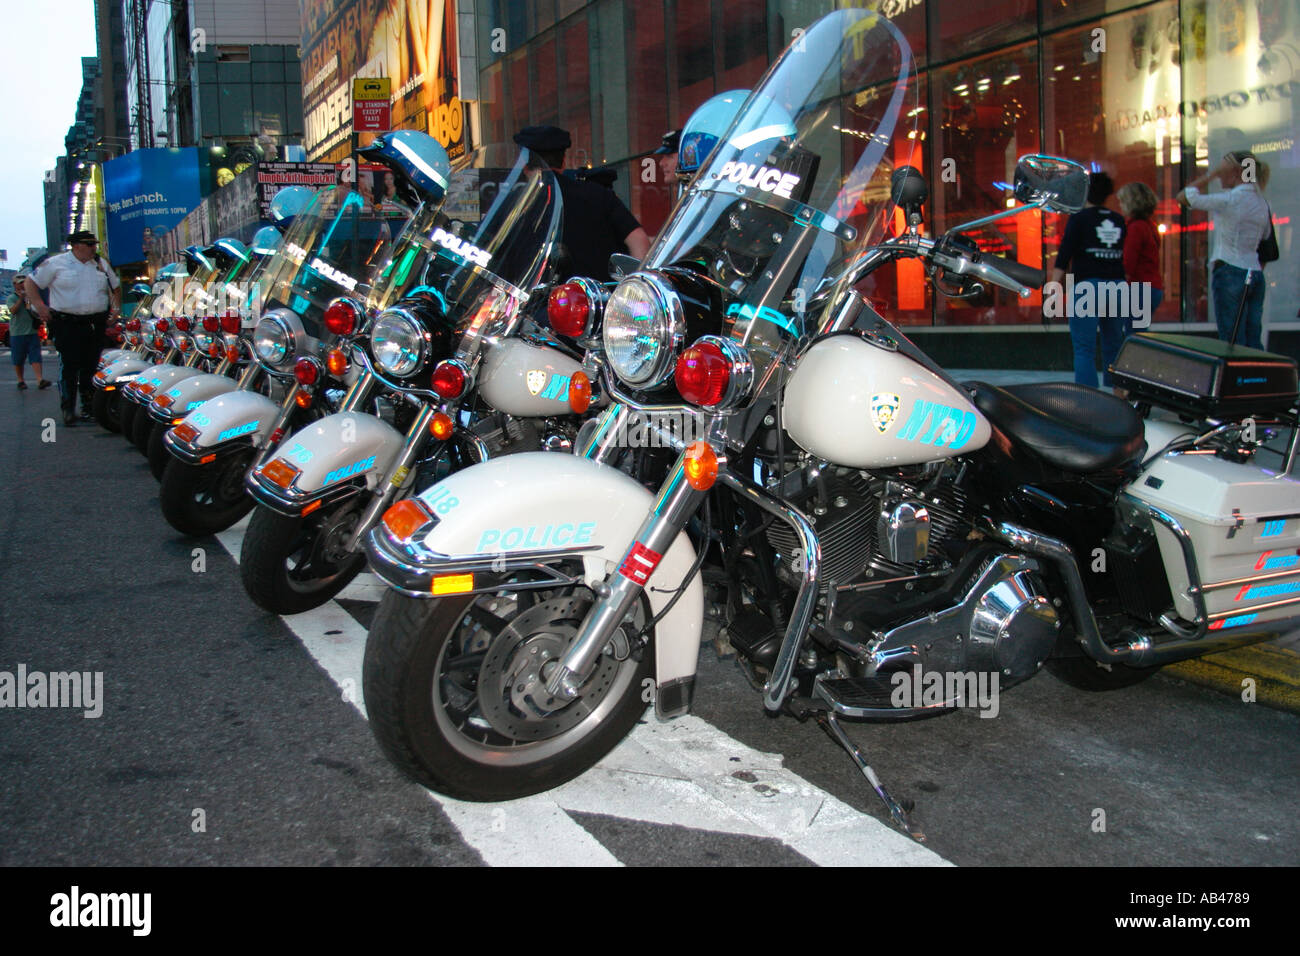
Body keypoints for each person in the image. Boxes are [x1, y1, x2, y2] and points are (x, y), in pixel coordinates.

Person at [513, 125, 651, 281]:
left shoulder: (518, 203)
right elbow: (639, 240)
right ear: (563, 161)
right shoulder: (599, 195)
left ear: (523, 163)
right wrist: (634, 290)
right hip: (600, 300)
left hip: (540, 302)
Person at [1176, 151, 1271, 349]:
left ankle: (1236, 378)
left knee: (1232, 339)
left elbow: (1184, 196)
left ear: (1235, 173)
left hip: (1229, 268)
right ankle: (1257, 376)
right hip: (1254, 271)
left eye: (1222, 171)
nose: (1219, 176)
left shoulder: (1229, 199)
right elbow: (1265, 236)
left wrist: (1209, 175)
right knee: (1253, 336)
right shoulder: (1262, 203)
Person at [25, 231, 121, 425]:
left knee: (91, 366)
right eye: (89, 244)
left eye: (94, 244)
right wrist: (40, 306)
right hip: (67, 322)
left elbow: (116, 287)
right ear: (76, 246)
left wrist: (116, 309)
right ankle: (68, 408)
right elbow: (31, 282)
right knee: (69, 366)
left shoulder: (100, 264)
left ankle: (89, 407)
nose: (94, 248)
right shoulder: (55, 263)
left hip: (95, 322)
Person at [1051, 171, 1127, 390]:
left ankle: (1088, 401)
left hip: (1087, 286)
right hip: (1117, 286)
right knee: (1114, 344)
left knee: (1084, 349)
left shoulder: (1079, 218)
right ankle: (1119, 398)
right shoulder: (1118, 220)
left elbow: (1065, 254)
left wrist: (1054, 286)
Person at [1117, 181, 1164, 315]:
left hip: (1138, 288)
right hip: (1152, 287)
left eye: (1122, 201)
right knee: (1138, 330)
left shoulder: (1135, 228)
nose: (1120, 205)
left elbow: (1128, 262)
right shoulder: (1150, 226)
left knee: (1132, 332)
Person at [6, 276, 50, 391]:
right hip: (17, 332)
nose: (22, 285)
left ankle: (40, 379)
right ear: (15, 284)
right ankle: (20, 380)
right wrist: (21, 299)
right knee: (18, 358)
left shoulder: (30, 297)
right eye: (20, 283)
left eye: (24, 282)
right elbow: (13, 310)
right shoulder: (11, 298)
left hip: (31, 331)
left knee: (36, 356)